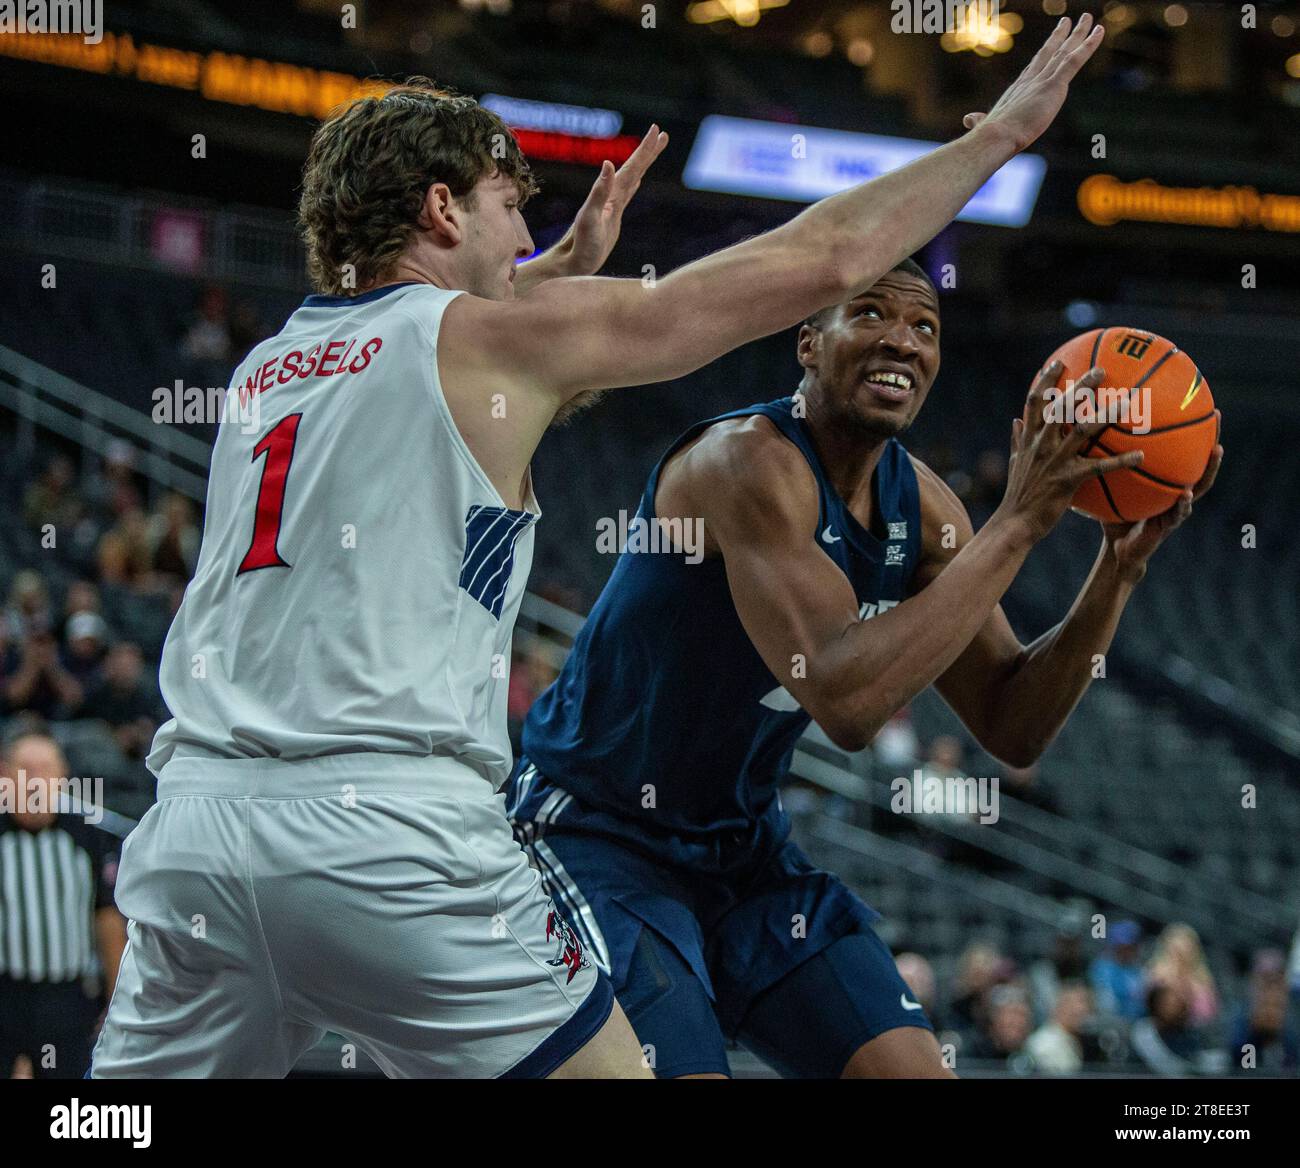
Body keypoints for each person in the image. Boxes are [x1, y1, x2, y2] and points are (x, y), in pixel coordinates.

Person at [93, 14, 1113, 1079]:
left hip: (197, 834)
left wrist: (545, 280)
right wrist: (996, 136)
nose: (520, 235)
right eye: (506, 210)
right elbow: (826, 256)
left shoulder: (271, 366)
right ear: (441, 207)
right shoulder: (490, 342)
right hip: (390, 836)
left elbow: (416, 349)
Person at [507, 249, 1221, 1078]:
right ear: (808, 342)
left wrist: (1116, 572)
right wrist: (1017, 524)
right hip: (596, 835)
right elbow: (844, 701)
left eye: (925, 325)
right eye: (873, 313)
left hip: (742, 852)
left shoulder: (921, 508)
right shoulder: (741, 465)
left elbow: (1012, 724)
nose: (904, 342)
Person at [0, 733, 126, 1079]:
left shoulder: (86, 837)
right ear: (4, 776)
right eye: (25, 769)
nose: (36, 780)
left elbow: (107, 920)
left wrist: (116, 998)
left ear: (63, 777)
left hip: (67, 1001)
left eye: (46, 769)